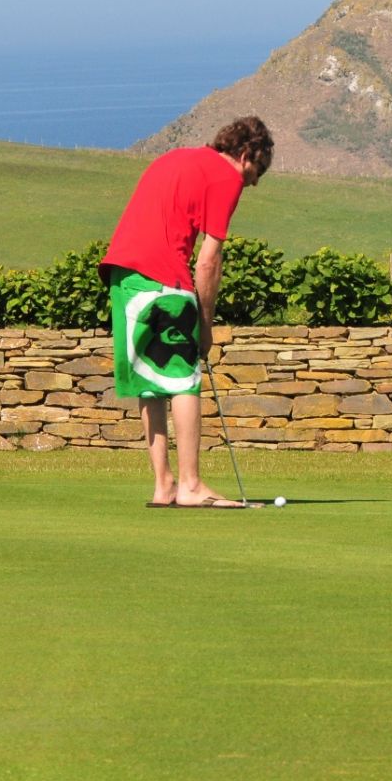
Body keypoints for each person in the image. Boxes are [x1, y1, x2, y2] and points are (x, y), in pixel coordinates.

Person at [101, 116, 273, 508]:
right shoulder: (226, 177)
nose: (254, 182)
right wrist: (206, 325)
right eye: (256, 171)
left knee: (150, 380)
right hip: (165, 279)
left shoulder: (176, 157)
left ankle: (164, 486)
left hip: (124, 278)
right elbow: (208, 261)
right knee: (182, 380)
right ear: (245, 154)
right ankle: (192, 486)